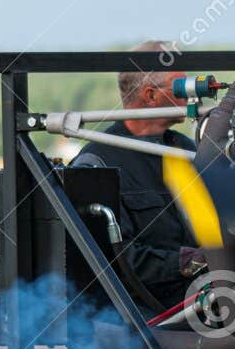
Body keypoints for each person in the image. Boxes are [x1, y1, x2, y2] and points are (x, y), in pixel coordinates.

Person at [71, 41, 205, 312]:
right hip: (142, 312)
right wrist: (191, 262)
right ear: (151, 96)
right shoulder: (98, 162)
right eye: (181, 87)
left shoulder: (186, 150)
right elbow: (113, 259)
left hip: (200, 296)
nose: (194, 95)